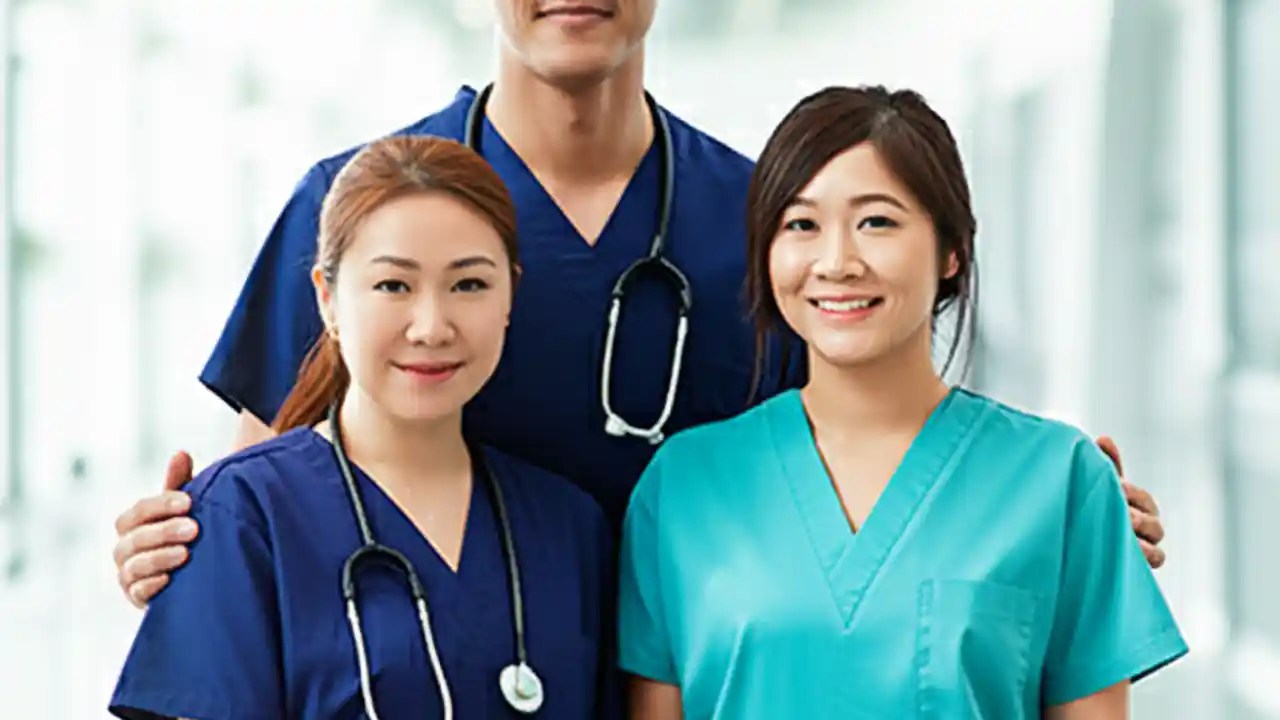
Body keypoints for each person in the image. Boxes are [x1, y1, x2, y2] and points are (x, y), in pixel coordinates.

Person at [111, 0, 1167, 609]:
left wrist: (1049, 511)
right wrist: (179, 554)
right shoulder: (355, 211)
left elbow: (886, 458)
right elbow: (261, 495)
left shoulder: (767, 225)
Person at [619, 86, 1187, 719]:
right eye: (801, 225)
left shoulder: (1060, 481)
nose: (836, 262)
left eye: (877, 222)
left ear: (952, 251)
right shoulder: (684, 485)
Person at [108, 136, 619, 720]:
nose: (431, 327)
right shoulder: (240, 516)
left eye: (469, 284)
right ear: (327, 299)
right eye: (393, 285)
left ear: (510, 296)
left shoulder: (569, 529)